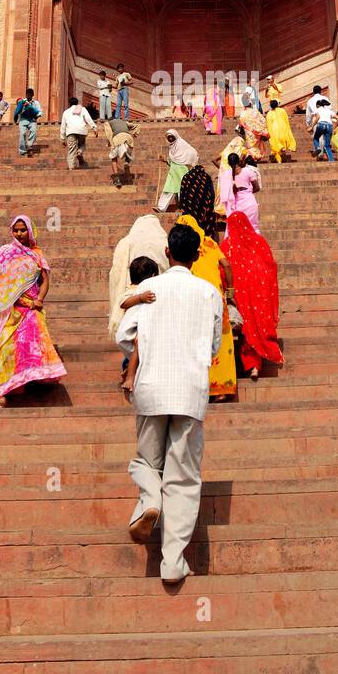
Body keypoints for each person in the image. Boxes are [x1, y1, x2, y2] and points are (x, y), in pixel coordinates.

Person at [119, 221, 223, 582]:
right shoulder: (209, 293)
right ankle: (173, 561)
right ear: (197, 255)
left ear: (167, 252)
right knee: (183, 475)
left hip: (151, 388)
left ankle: (150, 499)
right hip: (189, 391)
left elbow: (124, 334)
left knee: (148, 459)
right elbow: (213, 346)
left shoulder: (148, 288)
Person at [0, 215, 67, 405]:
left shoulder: (37, 254)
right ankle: (4, 393)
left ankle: (30, 380)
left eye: (23, 230)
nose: (19, 234)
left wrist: (39, 299)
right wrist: (10, 296)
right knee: (6, 348)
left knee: (30, 347)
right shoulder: (5, 253)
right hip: (11, 309)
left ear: (30, 231)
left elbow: (45, 281)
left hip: (31, 308)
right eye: (15, 230)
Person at [175, 214, 237, 400]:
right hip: (216, 295)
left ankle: (203, 387)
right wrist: (231, 291)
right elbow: (226, 264)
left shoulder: (180, 247)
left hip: (193, 296)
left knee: (199, 339)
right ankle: (223, 388)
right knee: (222, 339)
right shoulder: (209, 242)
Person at [222, 212, 282, 381]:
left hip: (239, 295)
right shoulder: (259, 242)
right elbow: (271, 264)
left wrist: (229, 294)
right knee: (258, 325)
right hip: (260, 293)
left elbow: (221, 270)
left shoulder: (227, 246)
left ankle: (251, 366)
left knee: (246, 328)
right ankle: (256, 366)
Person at [108, 213, 170, 339]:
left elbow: (116, 273)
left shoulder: (126, 242)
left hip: (133, 288)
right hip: (159, 293)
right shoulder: (164, 241)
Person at [117, 256, 159, 393]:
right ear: (153, 276)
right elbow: (123, 303)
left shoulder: (152, 291)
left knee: (139, 351)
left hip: (145, 326)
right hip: (134, 330)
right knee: (138, 347)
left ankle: (129, 371)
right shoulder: (133, 290)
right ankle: (130, 375)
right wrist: (140, 297)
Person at [156, 130, 199, 211]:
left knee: (183, 190)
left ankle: (186, 208)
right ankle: (161, 208)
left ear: (176, 136)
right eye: (169, 137)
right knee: (168, 189)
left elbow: (192, 152)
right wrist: (164, 160)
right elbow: (173, 161)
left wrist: (191, 162)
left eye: (172, 137)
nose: (171, 139)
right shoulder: (172, 148)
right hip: (173, 172)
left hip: (182, 172)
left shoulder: (182, 143)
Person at [178, 164, 218, 239]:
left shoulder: (186, 177)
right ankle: (203, 241)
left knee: (190, 223)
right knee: (203, 225)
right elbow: (211, 193)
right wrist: (211, 204)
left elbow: (182, 191)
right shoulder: (206, 177)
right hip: (203, 207)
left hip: (189, 206)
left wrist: (181, 205)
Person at [228, 152, 262, 231]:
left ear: (229, 163)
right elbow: (257, 188)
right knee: (253, 228)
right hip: (248, 202)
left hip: (238, 204)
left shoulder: (228, 174)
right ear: (238, 161)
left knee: (240, 229)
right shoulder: (247, 171)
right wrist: (247, 192)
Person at [60, 96, 96, 170]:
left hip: (70, 131)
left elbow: (63, 126)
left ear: (69, 104)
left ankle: (71, 167)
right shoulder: (82, 109)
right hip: (81, 130)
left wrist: (62, 138)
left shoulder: (66, 112)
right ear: (77, 103)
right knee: (82, 144)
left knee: (71, 150)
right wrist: (94, 128)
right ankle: (79, 152)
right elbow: (88, 119)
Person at [104, 115, 137, 186]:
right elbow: (137, 125)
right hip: (129, 139)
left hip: (118, 139)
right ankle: (128, 179)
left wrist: (110, 143)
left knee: (113, 158)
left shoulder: (108, 123)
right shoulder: (124, 122)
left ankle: (117, 179)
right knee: (127, 159)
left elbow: (109, 133)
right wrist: (134, 134)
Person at [14, 88, 42, 158]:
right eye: (28, 94)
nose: (29, 95)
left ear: (33, 95)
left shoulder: (36, 103)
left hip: (32, 120)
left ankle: (29, 145)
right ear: (26, 94)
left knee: (34, 131)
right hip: (23, 119)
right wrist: (16, 118)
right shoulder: (22, 102)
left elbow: (39, 112)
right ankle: (22, 150)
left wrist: (36, 117)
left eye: (30, 94)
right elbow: (17, 110)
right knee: (22, 133)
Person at [266, 98, 296, 163]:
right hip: (282, 129)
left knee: (275, 144)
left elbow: (268, 124)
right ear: (277, 105)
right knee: (281, 142)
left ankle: (280, 152)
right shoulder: (282, 110)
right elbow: (286, 119)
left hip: (274, 130)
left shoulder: (269, 113)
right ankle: (281, 150)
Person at [312, 97, 335, 162]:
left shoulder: (317, 110)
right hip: (329, 126)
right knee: (327, 145)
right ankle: (331, 160)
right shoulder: (329, 111)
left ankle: (318, 148)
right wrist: (335, 126)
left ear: (318, 105)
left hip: (321, 125)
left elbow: (318, 117)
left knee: (316, 138)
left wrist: (312, 126)